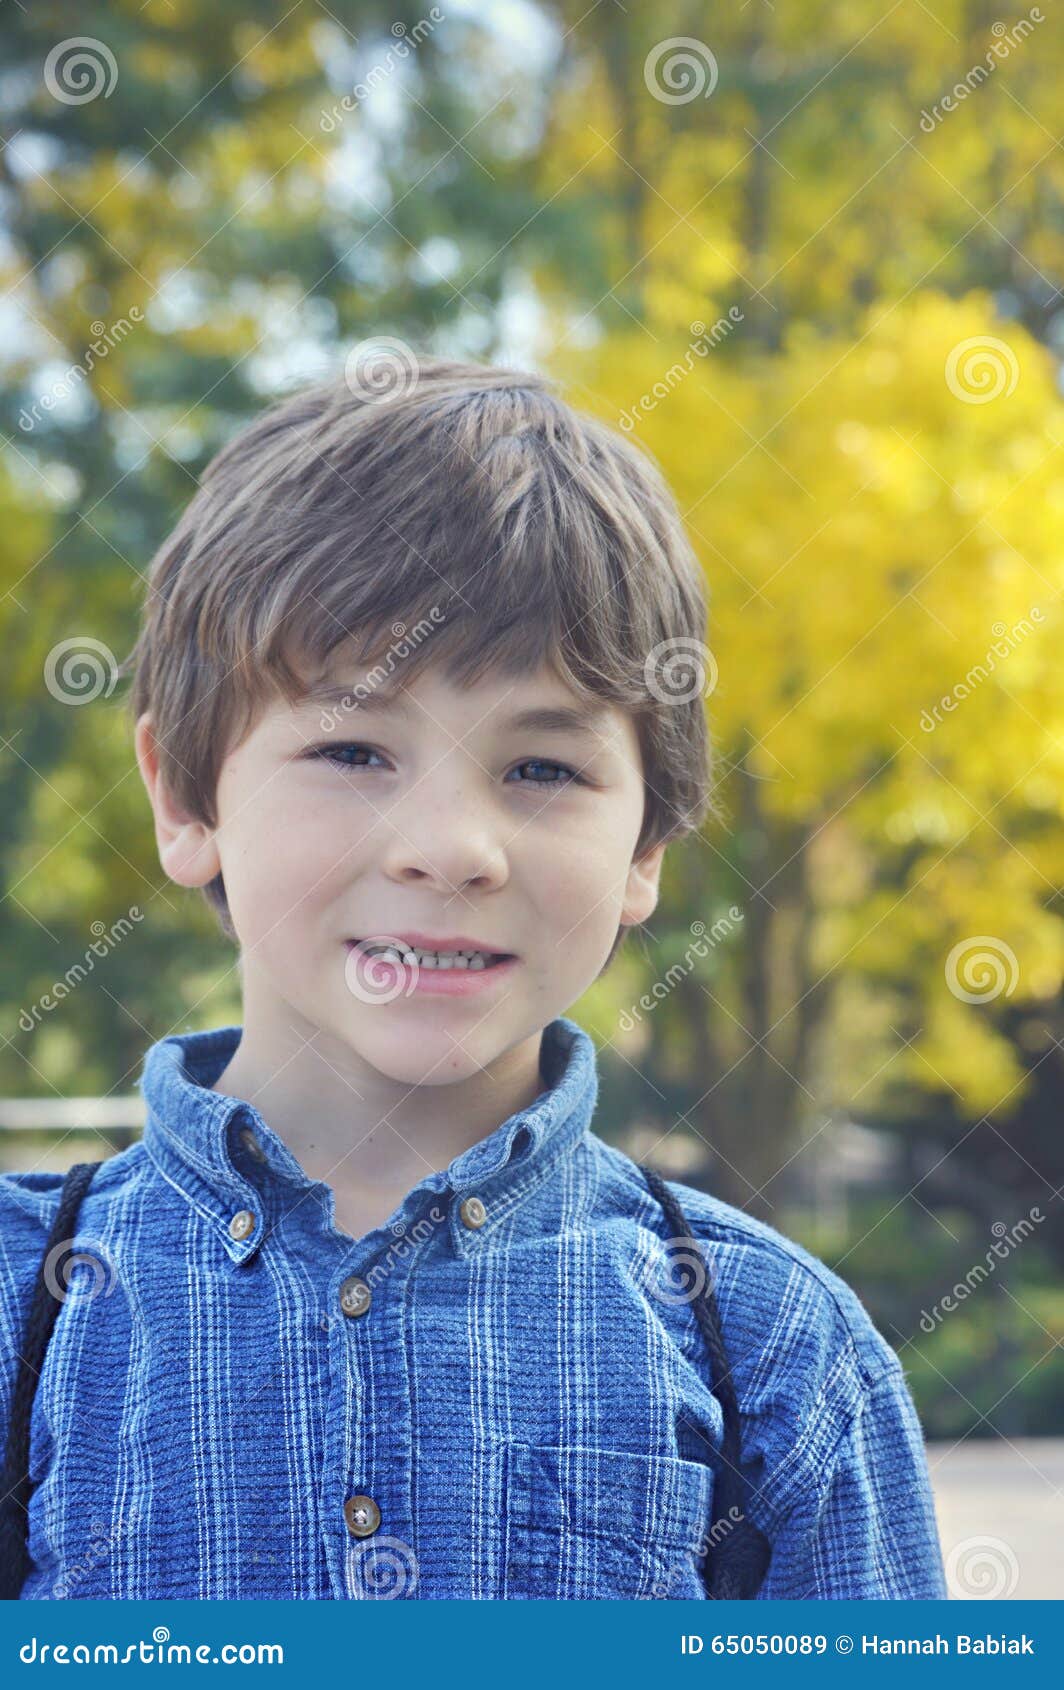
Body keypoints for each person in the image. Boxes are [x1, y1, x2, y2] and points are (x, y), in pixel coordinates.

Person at [0, 357, 947, 1599]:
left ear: (645, 845)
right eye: (352, 747)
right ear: (186, 797)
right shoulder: (27, 1315)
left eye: (541, 769)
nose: (449, 848)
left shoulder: (774, 1354)